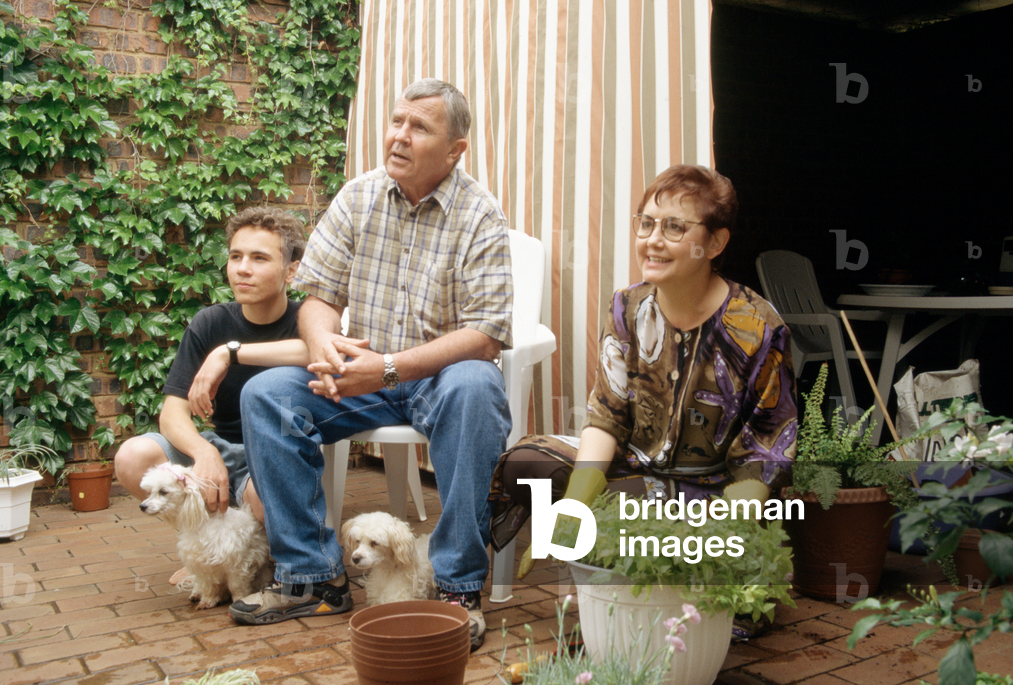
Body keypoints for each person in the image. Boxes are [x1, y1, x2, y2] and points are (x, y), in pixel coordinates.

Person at [228, 78, 513, 652]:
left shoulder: (479, 213)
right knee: (266, 395)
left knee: (478, 386)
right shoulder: (358, 195)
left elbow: (485, 335)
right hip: (360, 372)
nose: (399, 136)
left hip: (437, 376)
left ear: (455, 149)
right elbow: (318, 299)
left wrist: (386, 368)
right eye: (396, 121)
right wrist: (325, 346)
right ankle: (313, 578)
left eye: (419, 127)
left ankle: (457, 587)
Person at [490, 166, 798, 637]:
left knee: (720, 598)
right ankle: (630, 561)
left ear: (715, 244)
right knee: (527, 462)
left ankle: (684, 571)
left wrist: (714, 531)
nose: (653, 239)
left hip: (715, 500)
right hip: (640, 482)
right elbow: (607, 416)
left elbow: (766, 452)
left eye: (675, 227)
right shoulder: (627, 308)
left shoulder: (758, 327)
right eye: (646, 222)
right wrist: (573, 507)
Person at [114, 207, 310, 527]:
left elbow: (319, 349)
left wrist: (229, 353)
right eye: (235, 257)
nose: (242, 269)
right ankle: (203, 548)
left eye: (259, 258)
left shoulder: (307, 321)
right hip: (219, 445)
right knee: (133, 456)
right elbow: (172, 414)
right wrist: (204, 452)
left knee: (264, 504)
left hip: (275, 453)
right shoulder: (211, 322)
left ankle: (260, 550)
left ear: (291, 271)